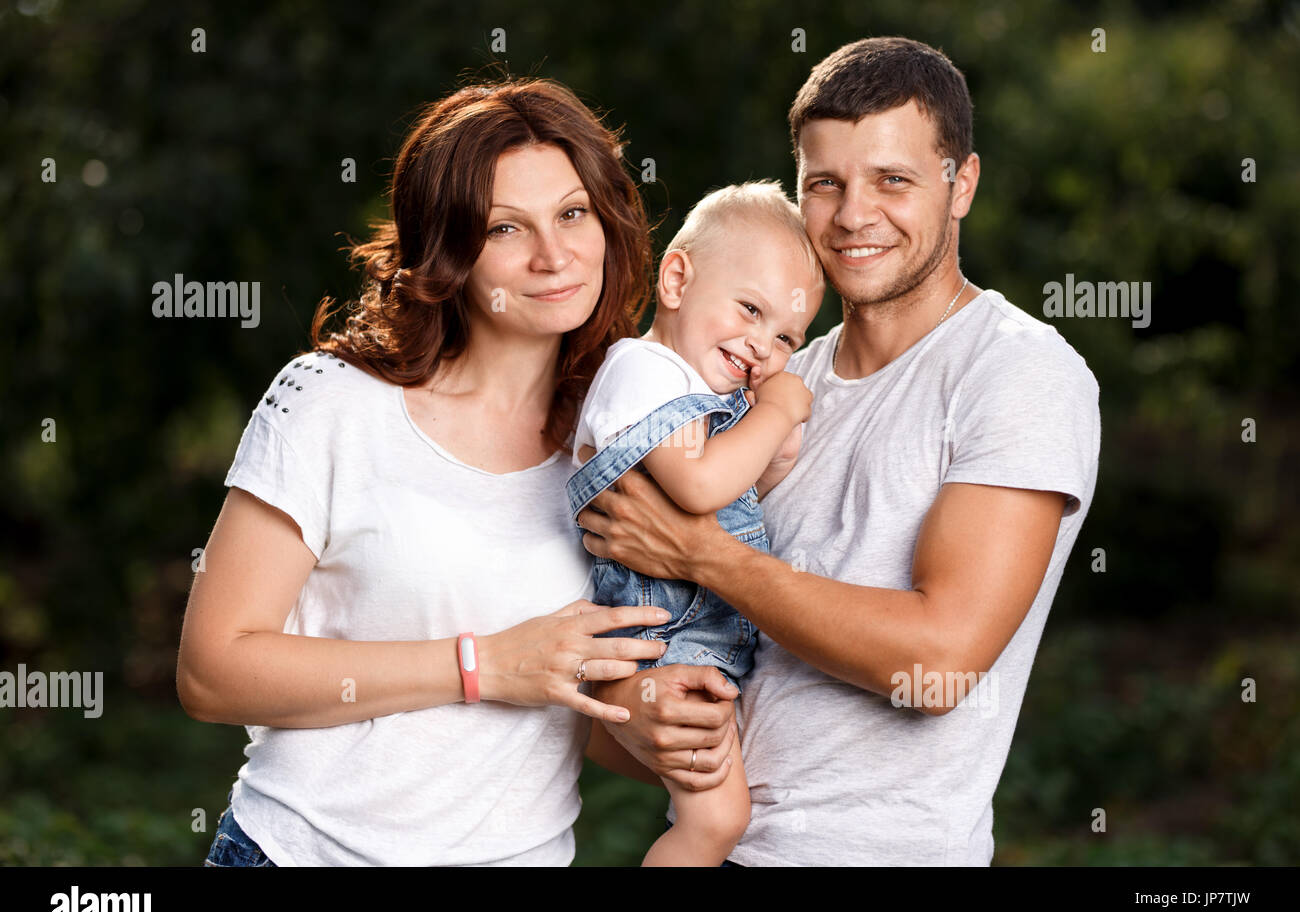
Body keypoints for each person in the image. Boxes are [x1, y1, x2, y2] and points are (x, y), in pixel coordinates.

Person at [577, 36, 1103, 865]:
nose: (855, 214)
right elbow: (649, 640)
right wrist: (635, 707)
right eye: (826, 184)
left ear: (961, 184)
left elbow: (943, 659)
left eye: (893, 179)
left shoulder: (1018, 372)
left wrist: (704, 553)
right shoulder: (761, 385)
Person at [177, 76, 681, 867]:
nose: (555, 256)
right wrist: (479, 665)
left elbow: (572, 714)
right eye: (506, 228)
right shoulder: (334, 402)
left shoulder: (625, 443)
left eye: (573, 213)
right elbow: (213, 671)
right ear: (448, 249)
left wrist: (651, 724)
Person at [568, 181, 820, 865]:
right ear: (676, 279)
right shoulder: (643, 370)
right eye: (749, 309)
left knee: (720, 811)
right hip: (664, 637)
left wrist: (768, 444)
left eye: (787, 337)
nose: (763, 344)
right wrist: (777, 413)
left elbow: (731, 495)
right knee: (716, 820)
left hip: (700, 635)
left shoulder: (701, 398)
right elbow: (702, 482)